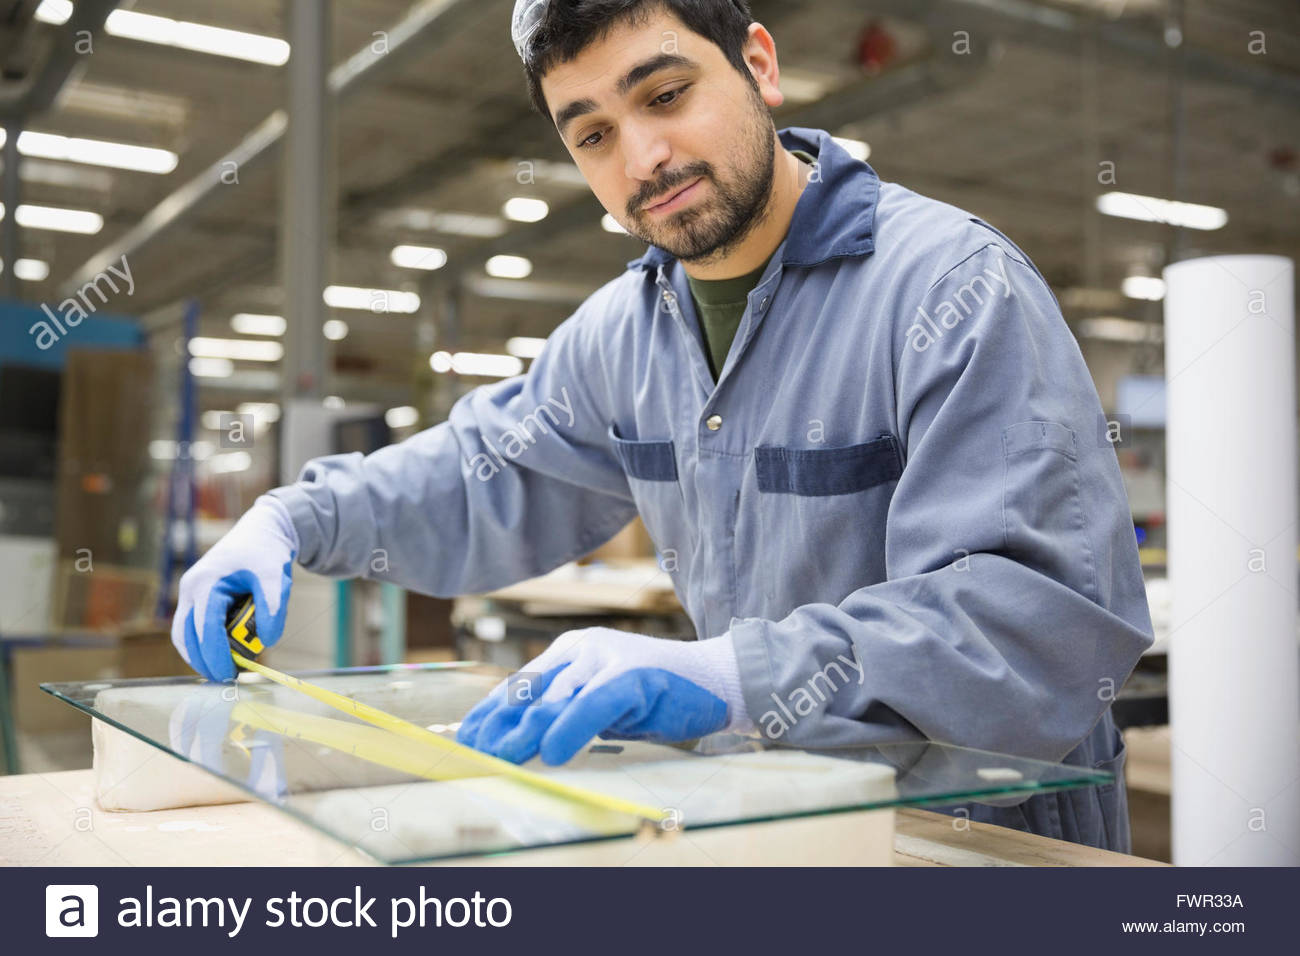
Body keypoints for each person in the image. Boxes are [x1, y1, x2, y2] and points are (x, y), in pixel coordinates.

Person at [172, 0, 1153, 852]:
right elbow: (480, 469)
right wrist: (294, 519)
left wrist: (725, 674)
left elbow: (1028, 625)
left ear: (758, 65)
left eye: (665, 94)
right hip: (779, 831)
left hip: (985, 849)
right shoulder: (624, 334)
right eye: (591, 133)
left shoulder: (951, 290)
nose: (642, 157)